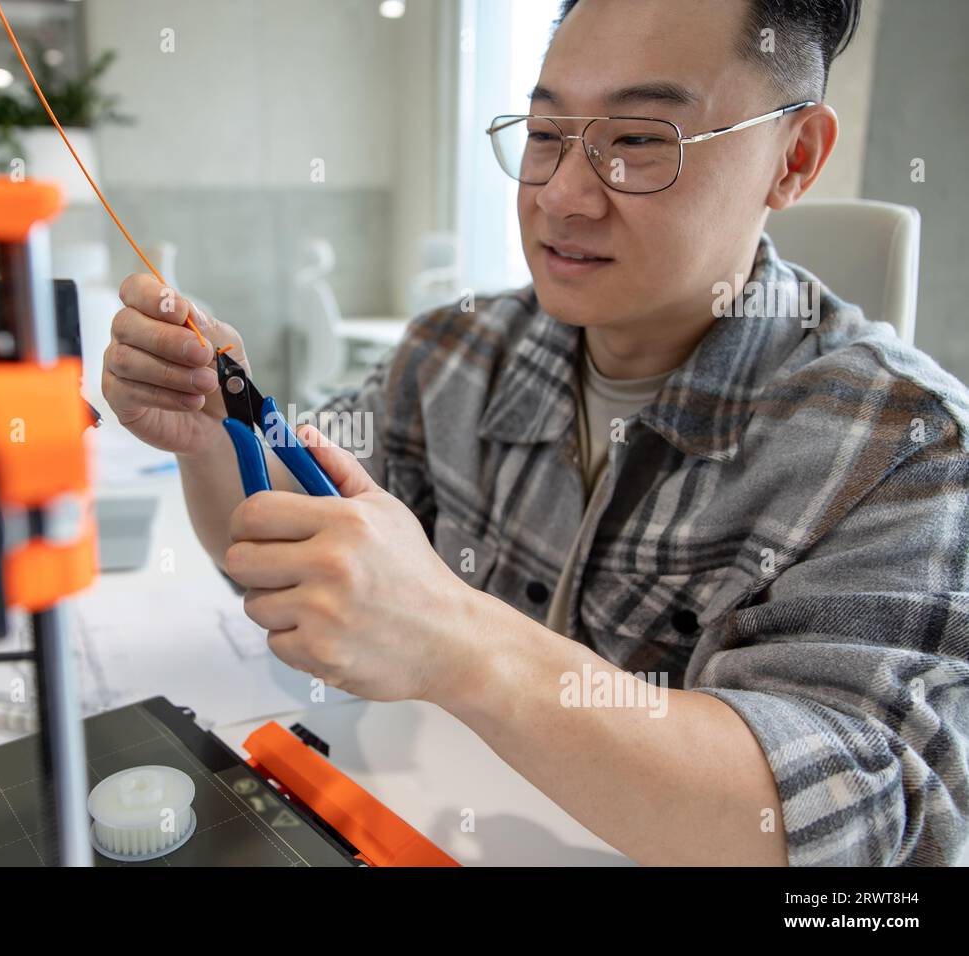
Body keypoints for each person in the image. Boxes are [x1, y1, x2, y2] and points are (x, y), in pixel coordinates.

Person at [101, 0, 969, 866]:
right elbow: (286, 541)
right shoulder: (455, 353)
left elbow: (859, 821)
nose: (561, 195)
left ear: (796, 157)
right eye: (546, 132)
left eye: (636, 140)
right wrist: (213, 436)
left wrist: (458, 641)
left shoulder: (903, 448)